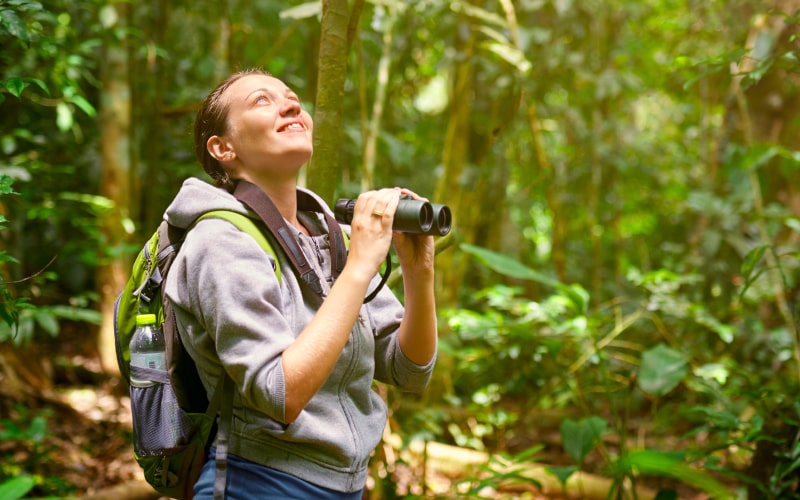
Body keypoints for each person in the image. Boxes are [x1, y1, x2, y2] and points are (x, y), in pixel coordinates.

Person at [162, 68, 438, 499]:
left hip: (346, 487)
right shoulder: (219, 241)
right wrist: (361, 266)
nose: (291, 104)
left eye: (291, 97)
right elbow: (280, 393)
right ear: (223, 148)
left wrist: (419, 275)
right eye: (261, 101)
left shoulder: (329, 238)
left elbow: (409, 370)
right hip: (256, 483)